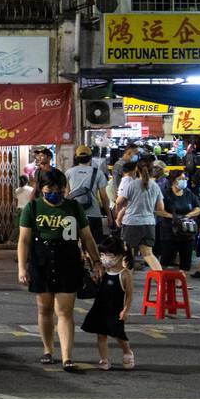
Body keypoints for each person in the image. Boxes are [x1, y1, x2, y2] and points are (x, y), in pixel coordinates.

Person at [17, 168, 101, 371]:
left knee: (65, 311)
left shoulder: (74, 207)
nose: (55, 192)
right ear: (42, 188)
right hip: (41, 262)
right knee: (44, 308)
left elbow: (87, 237)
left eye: (59, 188)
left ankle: (66, 356)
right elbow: (24, 240)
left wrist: (96, 262)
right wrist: (22, 267)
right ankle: (48, 349)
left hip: (68, 260)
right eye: (50, 188)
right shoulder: (33, 208)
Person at [81, 235, 136, 371]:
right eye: (102, 254)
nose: (105, 257)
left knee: (118, 334)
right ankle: (104, 359)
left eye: (109, 254)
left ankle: (127, 352)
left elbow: (129, 295)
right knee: (101, 334)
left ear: (119, 255)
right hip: (100, 308)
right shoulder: (104, 271)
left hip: (115, 310)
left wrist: (126, 310)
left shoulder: (125, 274)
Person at [114, 158, 166, 271]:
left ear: (137, 169)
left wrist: (119, 213)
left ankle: (125, 283)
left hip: (131, 223)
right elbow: (161, 208)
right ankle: (161, 283)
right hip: (149, 224)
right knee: (148, 254)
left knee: (128, 254)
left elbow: (119, 202)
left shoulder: (132, 184)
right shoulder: (155, 186)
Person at [65, 145, 111, 242]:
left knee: (71, 244)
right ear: (91, 157)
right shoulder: (98, 173)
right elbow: (104, 197)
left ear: (76, 158)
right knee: (94, 245)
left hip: (73, 214)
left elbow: (66, 196)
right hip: (93, 214)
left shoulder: (69, 172)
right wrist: (109, 216)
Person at [159, 170, 200, 272]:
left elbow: (199, 208)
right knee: (166, 257)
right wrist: (173, 217)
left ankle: (181, 282)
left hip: (187, 232)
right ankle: (161, 279)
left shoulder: (188, 193)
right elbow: (158, 211)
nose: (183, 181)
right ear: (173, 180)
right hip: (170, 232)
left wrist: (188, 216)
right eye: (180, 179)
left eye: (185, 179)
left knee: (186, 260)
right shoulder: (166, 194)